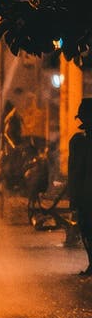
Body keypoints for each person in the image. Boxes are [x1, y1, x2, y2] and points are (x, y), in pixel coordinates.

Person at [67, 98, 92, 276]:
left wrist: (73, 199)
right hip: (85, 194)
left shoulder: (78, 142)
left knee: (87, 229)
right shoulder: (78, 142)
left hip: (85, 194)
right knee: (86, 229)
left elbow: (74, 172)